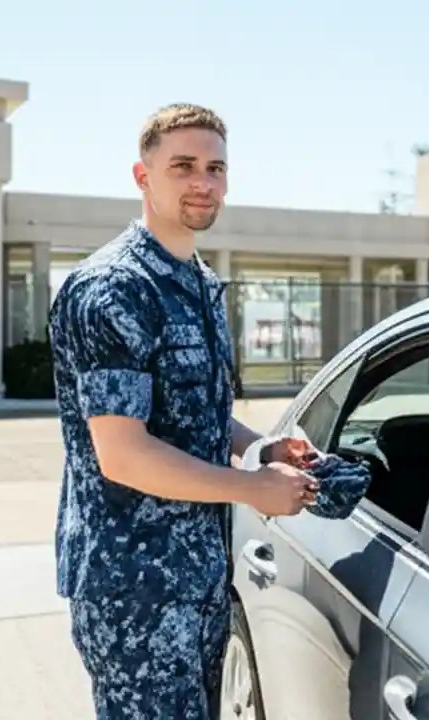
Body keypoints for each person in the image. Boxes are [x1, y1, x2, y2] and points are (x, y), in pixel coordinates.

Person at [48, 103, 370, 720]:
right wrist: (252, 489)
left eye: (216, 168)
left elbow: (191, 416)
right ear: (143, 178)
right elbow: (123, 453)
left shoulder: (194, 281)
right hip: (134, 589)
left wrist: (261, 449)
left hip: (198, 578)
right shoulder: (114, 289)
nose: (203, 182)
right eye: (184, 166)